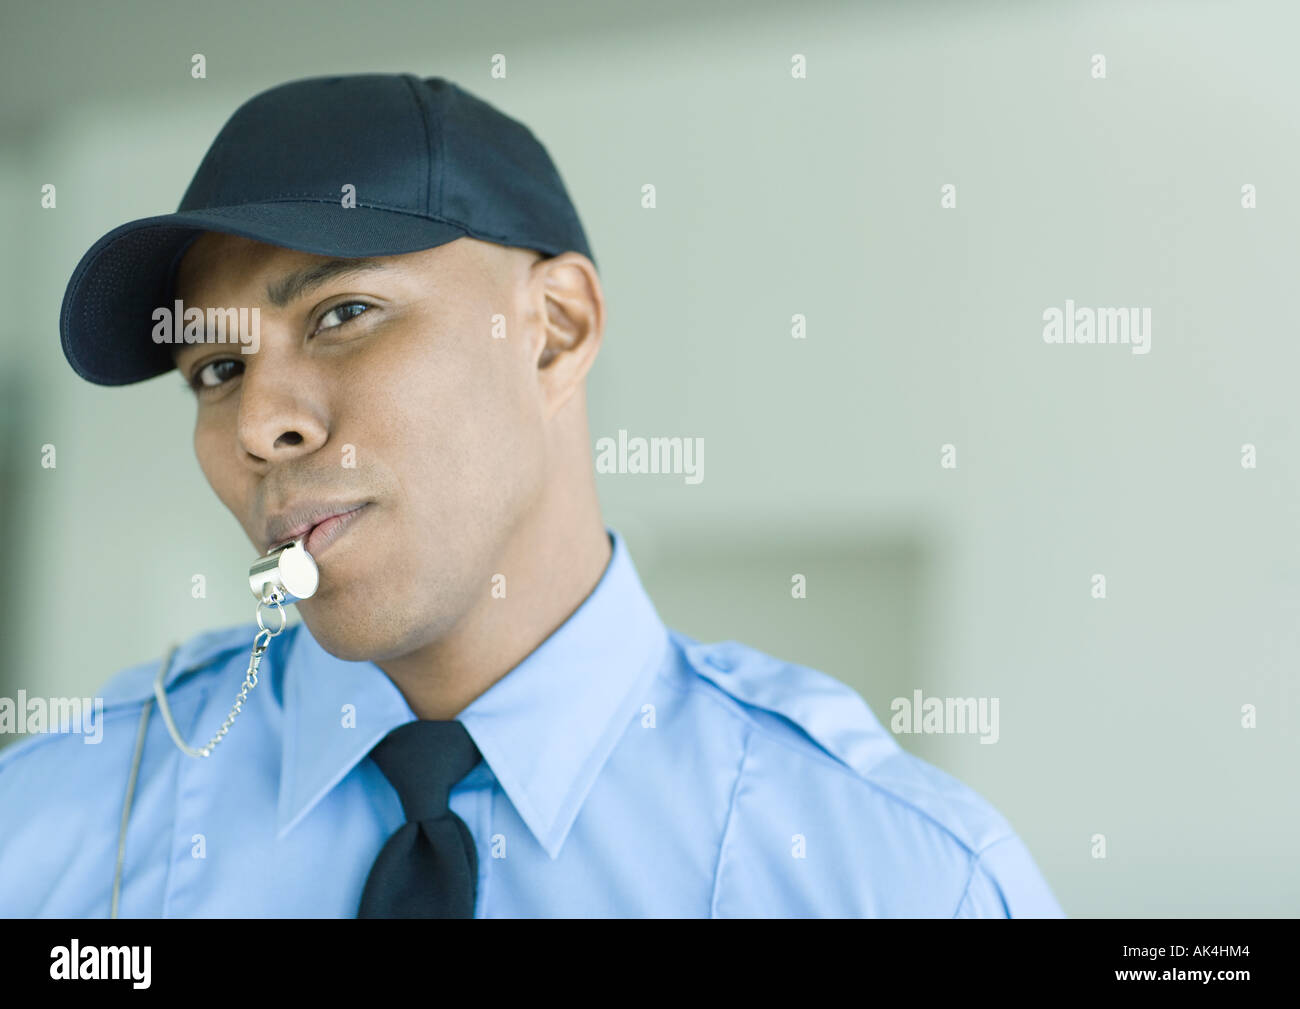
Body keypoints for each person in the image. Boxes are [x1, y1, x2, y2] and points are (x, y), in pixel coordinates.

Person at [0, 73, 1063, 918]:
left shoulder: (903, 880)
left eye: (342, 313)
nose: (256, 424)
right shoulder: (45, 833)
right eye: (218, 369)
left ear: (554, 330)